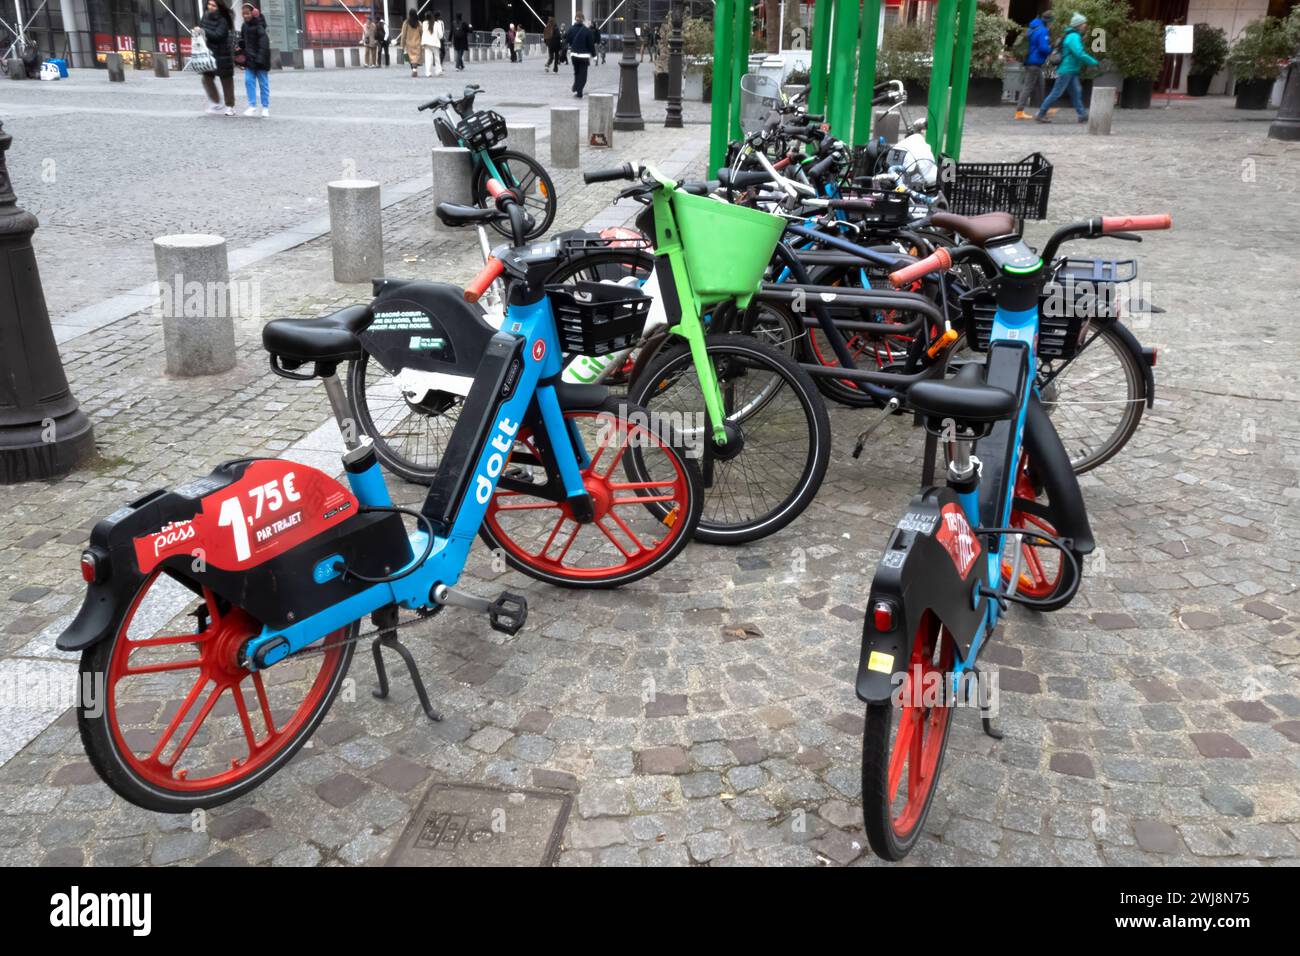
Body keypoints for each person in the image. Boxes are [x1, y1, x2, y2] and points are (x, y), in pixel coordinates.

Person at [1035, 12, 1098, 123]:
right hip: (1067, 69)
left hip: (1071, 69)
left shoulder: (1072, 35)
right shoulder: (1073, 37)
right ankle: (1041, 113)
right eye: (1084, 24)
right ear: (1078, 25)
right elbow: (1079, 53)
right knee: (1056, 93)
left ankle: (1082, 114)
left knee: (1076, 92)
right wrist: (1093, 62)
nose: (1085, 26)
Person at [196, 0, 235, 116]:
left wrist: (203, 31)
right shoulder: (205, 16)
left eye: (213, 5)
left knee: (226, 80)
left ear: (219, 7)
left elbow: (219, 35)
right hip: (208, 53)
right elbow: (203, 32)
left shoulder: (223, 19)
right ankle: (216, 101)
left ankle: (230, 106)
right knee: (206, 77)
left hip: (222, 54)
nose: (210, 7)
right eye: (209, 4)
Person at [1015, 10, 1053, 119]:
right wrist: (1050, 48)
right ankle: (1019, 112)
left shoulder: (1033, 28)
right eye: (1051, 22)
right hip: (1034, 62)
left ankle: (1044, 109)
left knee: (1041, 85)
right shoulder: (1043, 31)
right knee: (1028, 87)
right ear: (1048, 21)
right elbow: (1043, 48)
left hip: (1031, 61)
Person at [238, 2, 271, 116]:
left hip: (260, 60)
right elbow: (244, 40)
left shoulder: (259, 25)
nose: (245, 16)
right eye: (244, 14)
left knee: (263, 84)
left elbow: (264, 43)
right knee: (248, 81)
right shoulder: (244, 26)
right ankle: (252, 106)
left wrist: (260, 59)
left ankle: (265, 107)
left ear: (252, 13)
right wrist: (240, 45)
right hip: (250, 60)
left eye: (247, 13)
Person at [565, 12, 594, 98]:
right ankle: (579, 90)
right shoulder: (587, 31)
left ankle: (577, 88)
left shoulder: (571, 29)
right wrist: (594, 55)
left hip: (574, 55)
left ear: (575, 19)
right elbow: (590, 44)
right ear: (583, 20)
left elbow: (567, 40)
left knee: (577, 73)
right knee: (583, 75)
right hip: (584, 56)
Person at [399, 8, 421, 77]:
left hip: (409, 43)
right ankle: (415, 69)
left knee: (411, 58)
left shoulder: (406, 23)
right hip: (417, 42)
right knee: (416, 58)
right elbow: (421, 32)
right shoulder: (419, 23)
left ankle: (413, 69)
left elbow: (403, 34)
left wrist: (402, 44)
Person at [421, 10, 444, 77]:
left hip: (427, 43)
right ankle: (438, 71)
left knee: (428, 58)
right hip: (435, 43)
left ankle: (428, 72)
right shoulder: (437, 24)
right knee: (437, 57)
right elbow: (440, 35)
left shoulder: (424, 23)